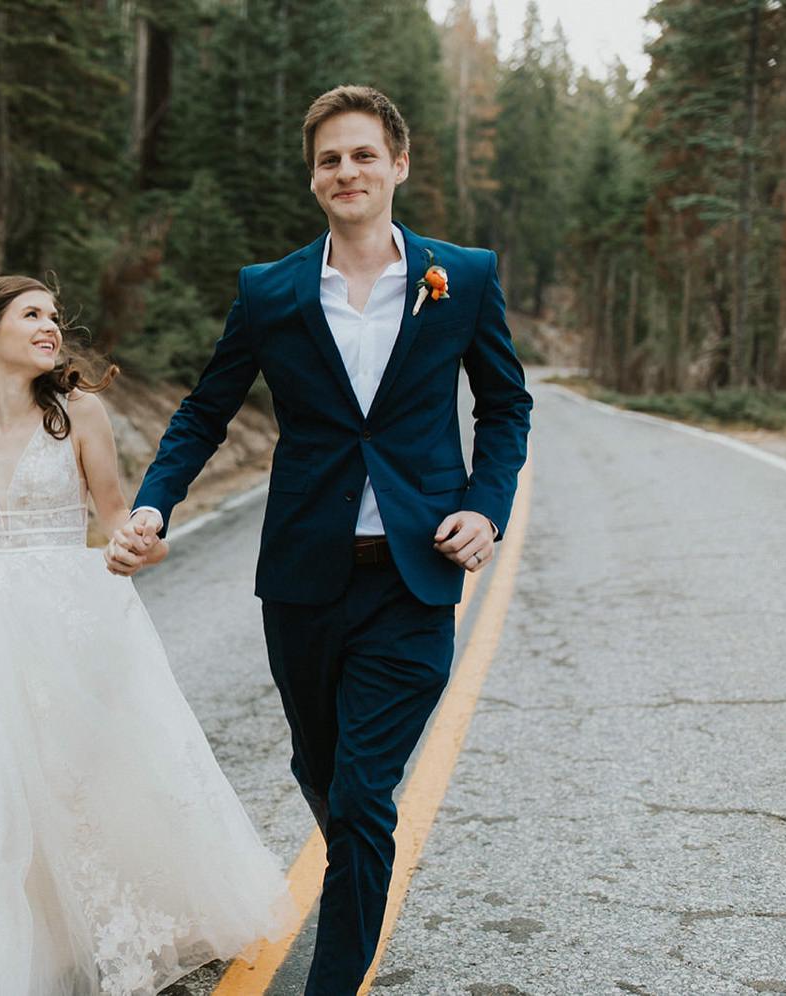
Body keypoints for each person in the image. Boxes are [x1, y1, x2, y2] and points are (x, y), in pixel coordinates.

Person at [105, 85, 533, 995]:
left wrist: (486, 506)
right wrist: (153, 505)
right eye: (331, 159)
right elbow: (204, 411)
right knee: (319, 765)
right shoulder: (272, 292)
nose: (348, 171)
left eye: (364, 155)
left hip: (413, 581)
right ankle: (357, 877)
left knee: (362, 795)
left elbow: (504, 407)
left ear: (399, 165)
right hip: (302, 579)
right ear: (314, 177)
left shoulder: (463, 279)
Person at [0, 275, 290, 995]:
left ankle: (119, 923)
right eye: (30, 314)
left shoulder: (80, 412)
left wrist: (143, 543)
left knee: (82, 782)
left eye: (53, 316)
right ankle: (17, 948)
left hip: (68, 612)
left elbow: (116, 513)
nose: (49, 326)